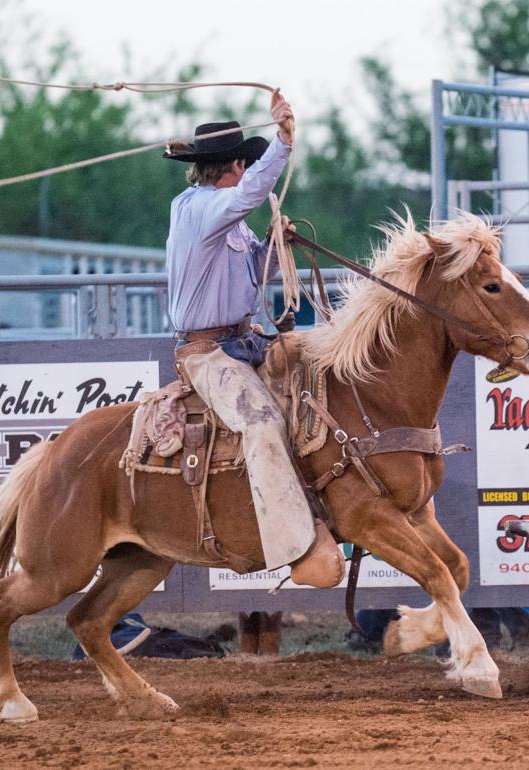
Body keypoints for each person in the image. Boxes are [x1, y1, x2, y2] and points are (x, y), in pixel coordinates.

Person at [163, 92, 343, 588]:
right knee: (262, 422)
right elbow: (246, 196)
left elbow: (245, 271)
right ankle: (293, 546)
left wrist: (271, 242)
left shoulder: (224, 218)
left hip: (243, 341)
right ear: (236, 165)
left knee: (327, 361)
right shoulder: (200, 208)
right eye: (247, 164)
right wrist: (283, 143)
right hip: (207, 354)